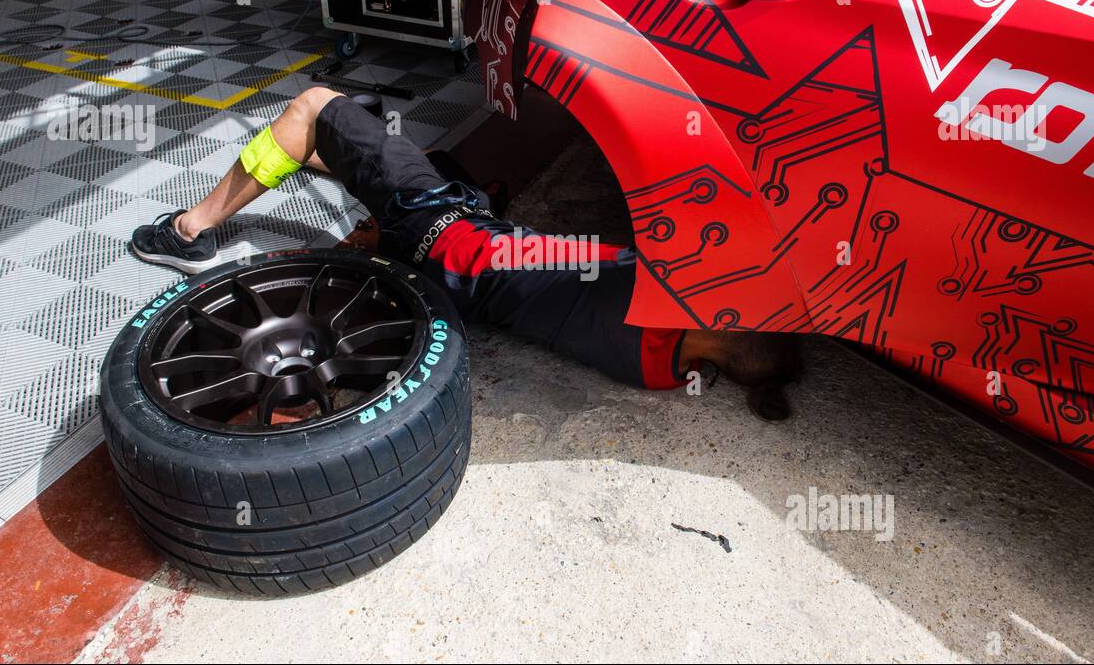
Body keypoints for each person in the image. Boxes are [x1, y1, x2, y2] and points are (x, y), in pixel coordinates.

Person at [130, 87, 801, 419]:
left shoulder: (654, 293)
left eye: (735, 304)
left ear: (719, 325)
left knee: (313, 104)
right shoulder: (658, 365)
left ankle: (187, 232)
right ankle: (341, 155)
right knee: (413, 158)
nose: (727, 286)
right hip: (461, 261)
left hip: (443, 232)